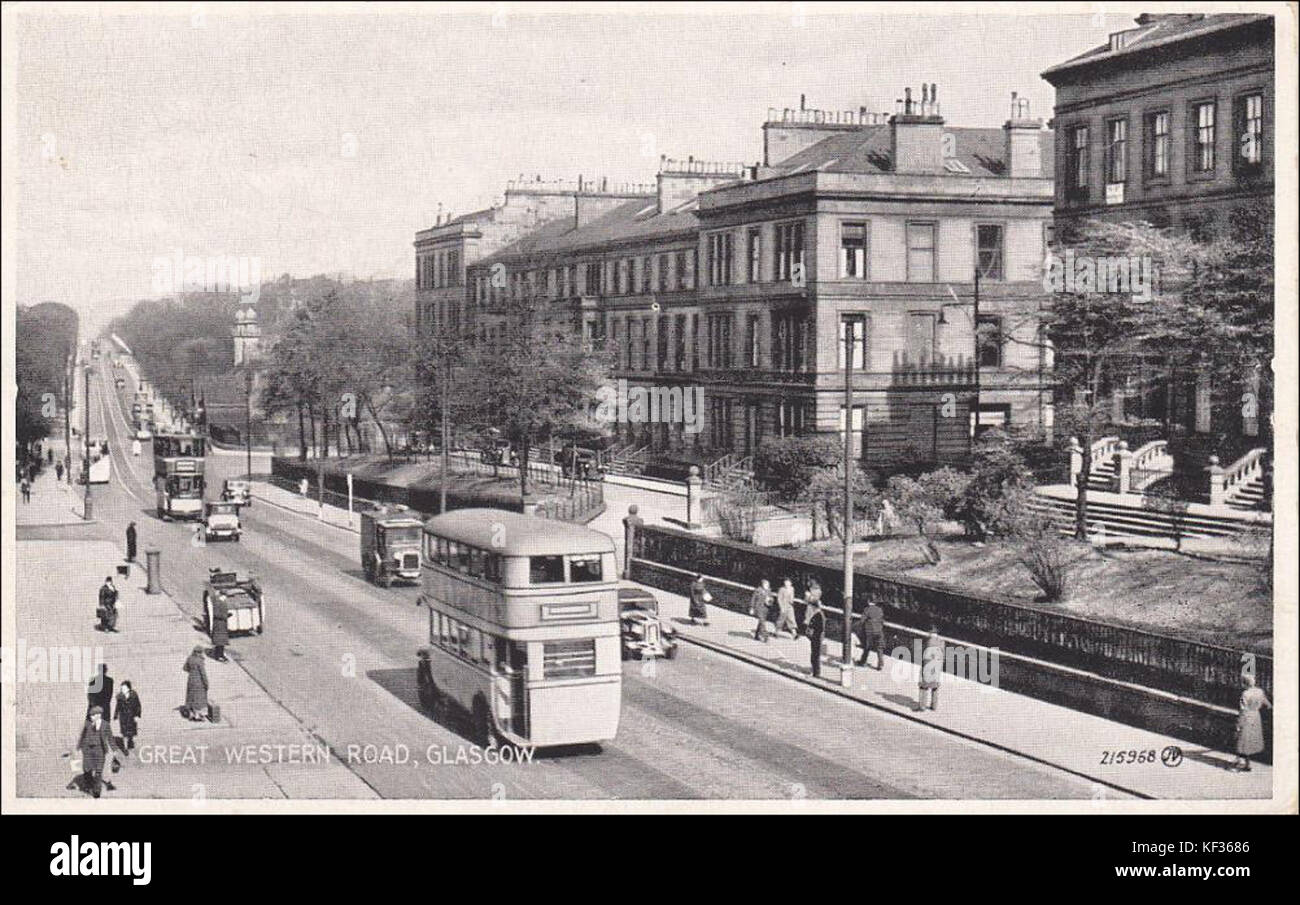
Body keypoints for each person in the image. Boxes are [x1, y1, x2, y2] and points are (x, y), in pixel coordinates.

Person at [1233, 674, 1272, 772]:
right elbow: (1268, 704)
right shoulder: (1259, 691)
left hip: (1247, 717)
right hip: (1256, 717)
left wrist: (1238, 724)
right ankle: (1240, 760)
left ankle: (1245, 763)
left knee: (1243, 740)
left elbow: (1243, 709)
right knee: (1250, 740)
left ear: (1244, 683)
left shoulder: (1245, 694)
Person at [77, 706, 115, 798]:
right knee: (87, 769)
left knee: (98, 771)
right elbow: (83, 736)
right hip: (88, 750)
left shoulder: (105, 725)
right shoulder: (87, 724)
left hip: (100, 750)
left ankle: (97, 791)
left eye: (93, 715)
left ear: (98, 715)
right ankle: (88, 786)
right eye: (91, 715)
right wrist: (79, 747)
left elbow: (110, 737)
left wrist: (114, 749)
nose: (91, 717)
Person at [918, 628, 944, 711]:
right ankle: (934, 706)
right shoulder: (941, 642)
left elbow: (925, 655)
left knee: (923, 687)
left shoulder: (928, 642)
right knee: (935, 687)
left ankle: (922, 706)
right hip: (937, 668)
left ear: (930, 633)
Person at [858, 599, 887, 670]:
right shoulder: (880, 610)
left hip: (870, 631)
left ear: (868, 602)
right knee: (879, 648)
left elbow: (862, 620)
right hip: (879, 631)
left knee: (867, 647)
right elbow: (882, 620)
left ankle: (863, 661)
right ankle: (880, 664)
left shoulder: (867, 609)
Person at [114, 680, 142, 754]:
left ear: (128, 688)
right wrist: (115, 715)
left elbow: (138, 706)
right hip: (123, 717)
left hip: (131, 716)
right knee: (124, 733)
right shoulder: (119, 696)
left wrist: (137, 715)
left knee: (131, 732)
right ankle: (125, 748)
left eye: (124, 688)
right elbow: (118, 707)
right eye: (122, 688)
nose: (122, 690)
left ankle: (130, 740)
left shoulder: (134, 695)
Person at [183, 646, 209, 721]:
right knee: (199, 699)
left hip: (191, 680)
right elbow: (203, 674)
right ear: (199, 652)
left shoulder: (190, 658)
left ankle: (191, 713)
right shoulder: (200, 661)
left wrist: (192, 671)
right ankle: (198, 715)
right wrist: (206, 683)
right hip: (199, 682)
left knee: (191, 697)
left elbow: (185, 668)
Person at [806, 595, 826, 679]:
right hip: (817, 637)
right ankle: (815, 671)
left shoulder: (818, 616)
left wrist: (811, 632)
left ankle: (816, 673)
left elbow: (819, 628)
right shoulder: (820, 614)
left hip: (816, 637)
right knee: (815, 655)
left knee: (815, 655)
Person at [209, 593, 230, 662]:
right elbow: (216, 614)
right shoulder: (218, 603)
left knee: (222, 641)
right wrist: (225, 616)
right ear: (223, 596)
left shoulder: (222, 602)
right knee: (220, 641)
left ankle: (220, 654)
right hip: (219, 625)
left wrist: (227, 615)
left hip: (222, 624)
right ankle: (218, 655)